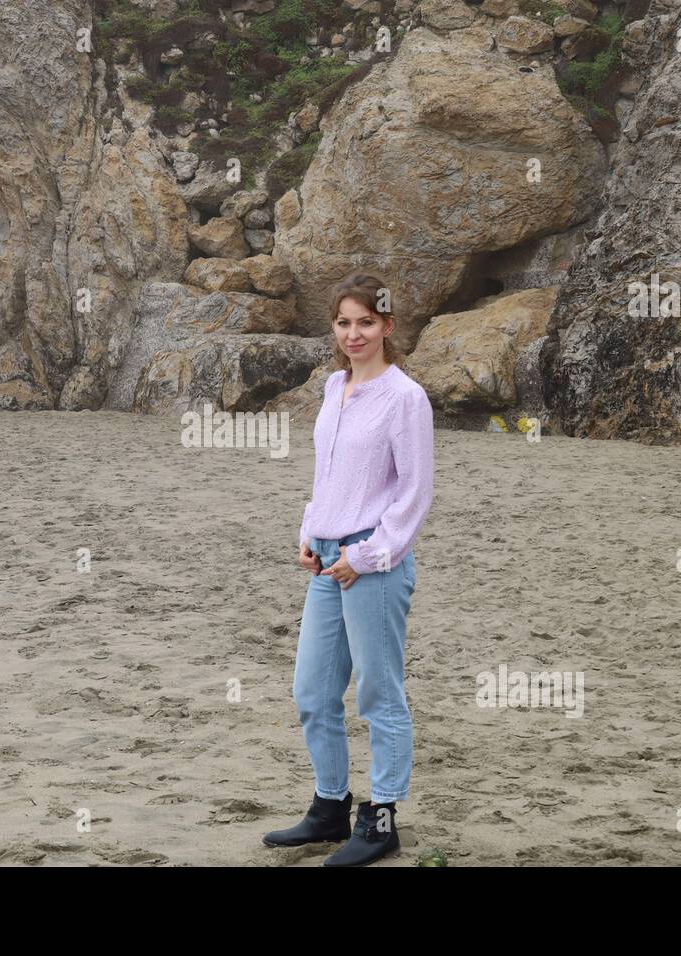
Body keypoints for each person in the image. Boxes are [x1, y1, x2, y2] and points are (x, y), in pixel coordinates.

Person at [262, 272, 434, 866]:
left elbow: (413, 493)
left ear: (388, 326)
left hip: (373, 562)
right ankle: (330, 808)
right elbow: (327, 477)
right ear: (333, 328)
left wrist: (364, 556)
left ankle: (381, 818)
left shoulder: (406, 397)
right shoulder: (334, 386)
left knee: (379, 694)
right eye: (344, 322)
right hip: (327, 560)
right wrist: (310, 535)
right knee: (312, 690)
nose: (354, 333)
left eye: (366, 322)